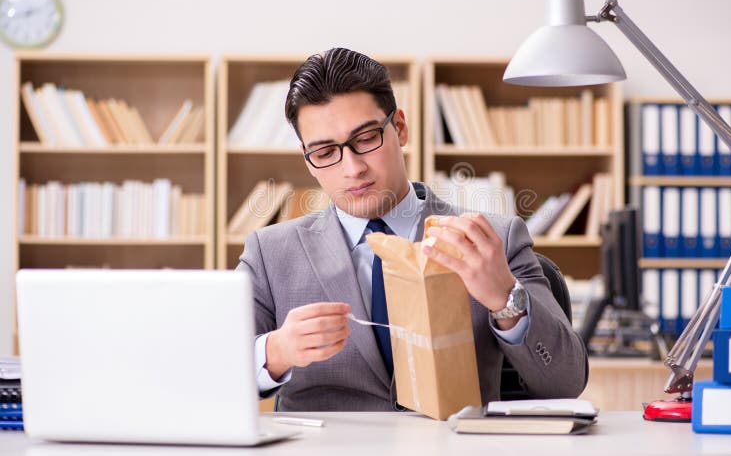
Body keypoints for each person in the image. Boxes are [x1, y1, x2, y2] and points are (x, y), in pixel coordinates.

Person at [237, 47, 588, 411]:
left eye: (366, 138)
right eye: (326, 152)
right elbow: (210, 378)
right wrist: (276, 352)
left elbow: (566, 382)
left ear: (400, 128)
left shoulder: (494, 239)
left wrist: (505, 298)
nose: (353, 168)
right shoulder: (270, 253)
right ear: (309, 160)